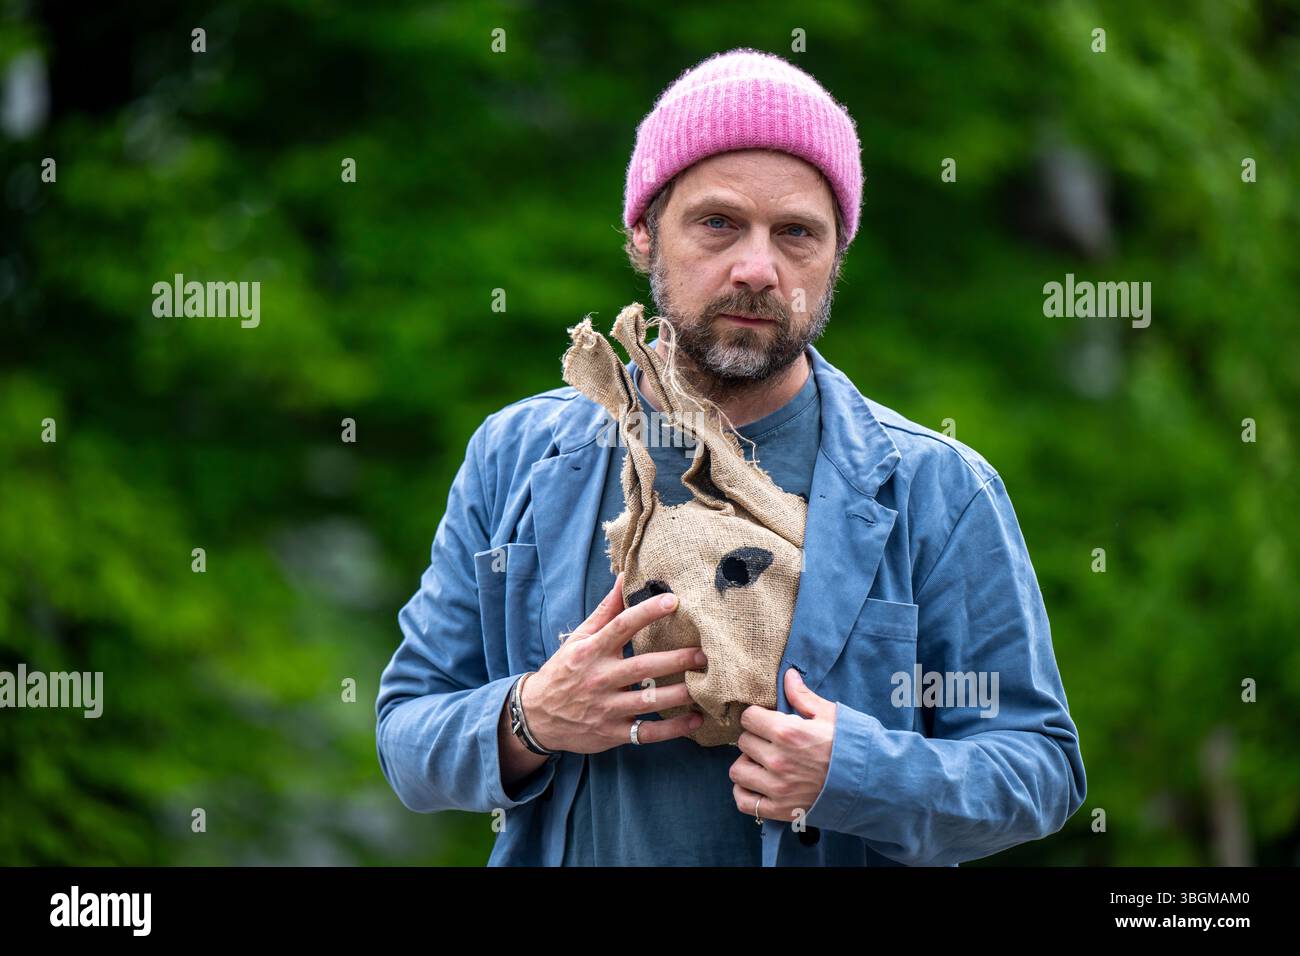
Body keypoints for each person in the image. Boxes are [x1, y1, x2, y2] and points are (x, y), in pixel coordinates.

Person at [376, 47, 1087, 866]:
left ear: (834, 259)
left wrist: (856, 772)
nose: (758, 269)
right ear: (643, 234)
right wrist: (531, 715)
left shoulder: (942, 489)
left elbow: (1038, 767)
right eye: (718, 223)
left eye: (797, 235)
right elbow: (406, 737)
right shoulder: (515, 456)